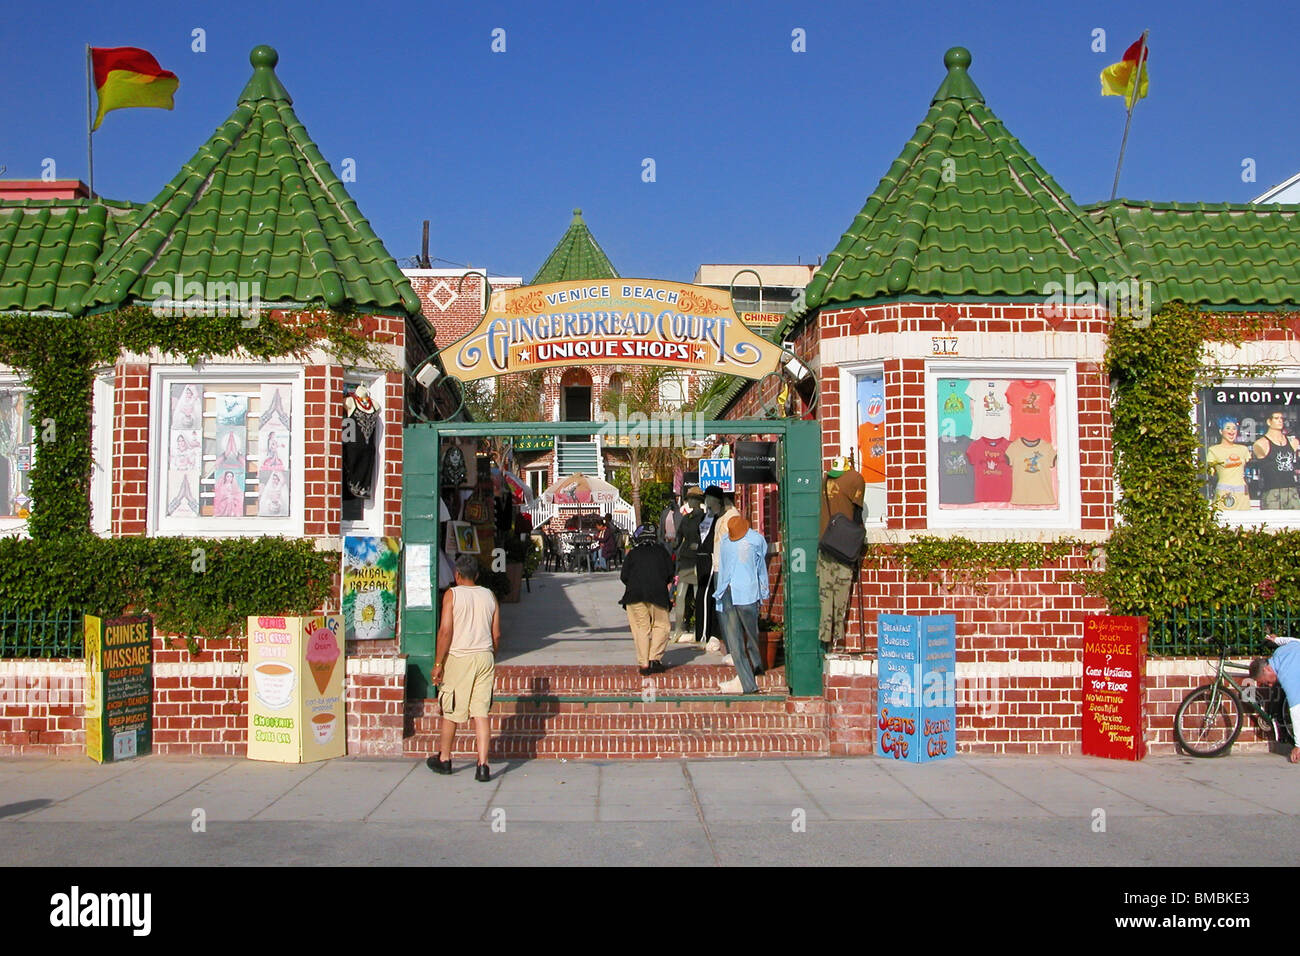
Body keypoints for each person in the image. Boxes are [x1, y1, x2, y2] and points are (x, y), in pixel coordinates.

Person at [428, 555, 500, 781]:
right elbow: (496, 633)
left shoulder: (452, 595)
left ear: (457, 575)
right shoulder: (489, 595)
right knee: (481, 712)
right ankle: (483, 765)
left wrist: (438, 663)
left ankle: (445, 758)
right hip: (484, 655)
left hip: (460, 656)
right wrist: (491, 654)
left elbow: (445, 631)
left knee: (451, 709)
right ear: (477, 575)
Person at [714, 514, 769, 694]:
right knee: (735, 641)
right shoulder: (726, 541)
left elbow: (761, 567)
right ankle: (748, 683)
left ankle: (757, 664)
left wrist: (763, 591)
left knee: (750, 635)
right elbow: (723, 569)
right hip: (730, 592)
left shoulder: (755, 540)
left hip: (747, 593)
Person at [818, 456, 866, 649]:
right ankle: (838, 638)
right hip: (843, 545)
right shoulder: (855, 478)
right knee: (841, 592)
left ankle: (825, 637)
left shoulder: (825, 479)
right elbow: (857, 514)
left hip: (825, 542)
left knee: (825, 593)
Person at [619, 524, 675, 675]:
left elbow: (624, 576)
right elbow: (670, 573)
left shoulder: (633, 553)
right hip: (658, 594)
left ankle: (644, 663)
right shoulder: (661, 552)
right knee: (661, 626)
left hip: (634, 595)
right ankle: (654, 659)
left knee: (640, 628)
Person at [698, 486, 741, 654]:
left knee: (729, 610)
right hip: (717, 567)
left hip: (727, 569)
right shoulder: (718, 517)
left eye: (708, 499)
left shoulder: (732, 517)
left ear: (716, 500)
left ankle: (733, 650)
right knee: (721, 608)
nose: (706, 504)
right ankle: (724, 643)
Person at [1249, 636, 1300, 764]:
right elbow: (1293, 641)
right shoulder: (1279, 652)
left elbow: (1296, 710)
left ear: (1266, 669)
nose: (1270, 685)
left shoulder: (1286, 674)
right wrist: (1277, 640)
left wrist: (1298, 745)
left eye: (1266, 682)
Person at [672, 487, 705, 642]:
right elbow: (678, 537)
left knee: (699, 596)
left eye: (693, 498)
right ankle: (678, 628)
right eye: (689, 498)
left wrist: (699, 546)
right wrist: (672, 545)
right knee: (681, 595)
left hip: (698, 559)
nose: (690, 501)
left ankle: (700, 629)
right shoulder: (686, 518)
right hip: (685, 558)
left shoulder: (705, 518)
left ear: (699, 501)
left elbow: (707, 538)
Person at [1251, 410, 1300, 510]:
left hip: (1291, 490)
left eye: (1281, 418)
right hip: (1272, 490)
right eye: (1276, 418)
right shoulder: (1261, 443)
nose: (1280, 421)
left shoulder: (1293, 442)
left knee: (1295, 524)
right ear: (1269, 421)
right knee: (1272, 524)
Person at [1206, 418, 1252, 510]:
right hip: (1224, 491)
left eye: (1234, 428)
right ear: (1221, 431)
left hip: (1242, 492)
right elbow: (1209, 472)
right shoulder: (1213, 450)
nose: (1231, 431)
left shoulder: (1243, 449)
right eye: (1228, 428)